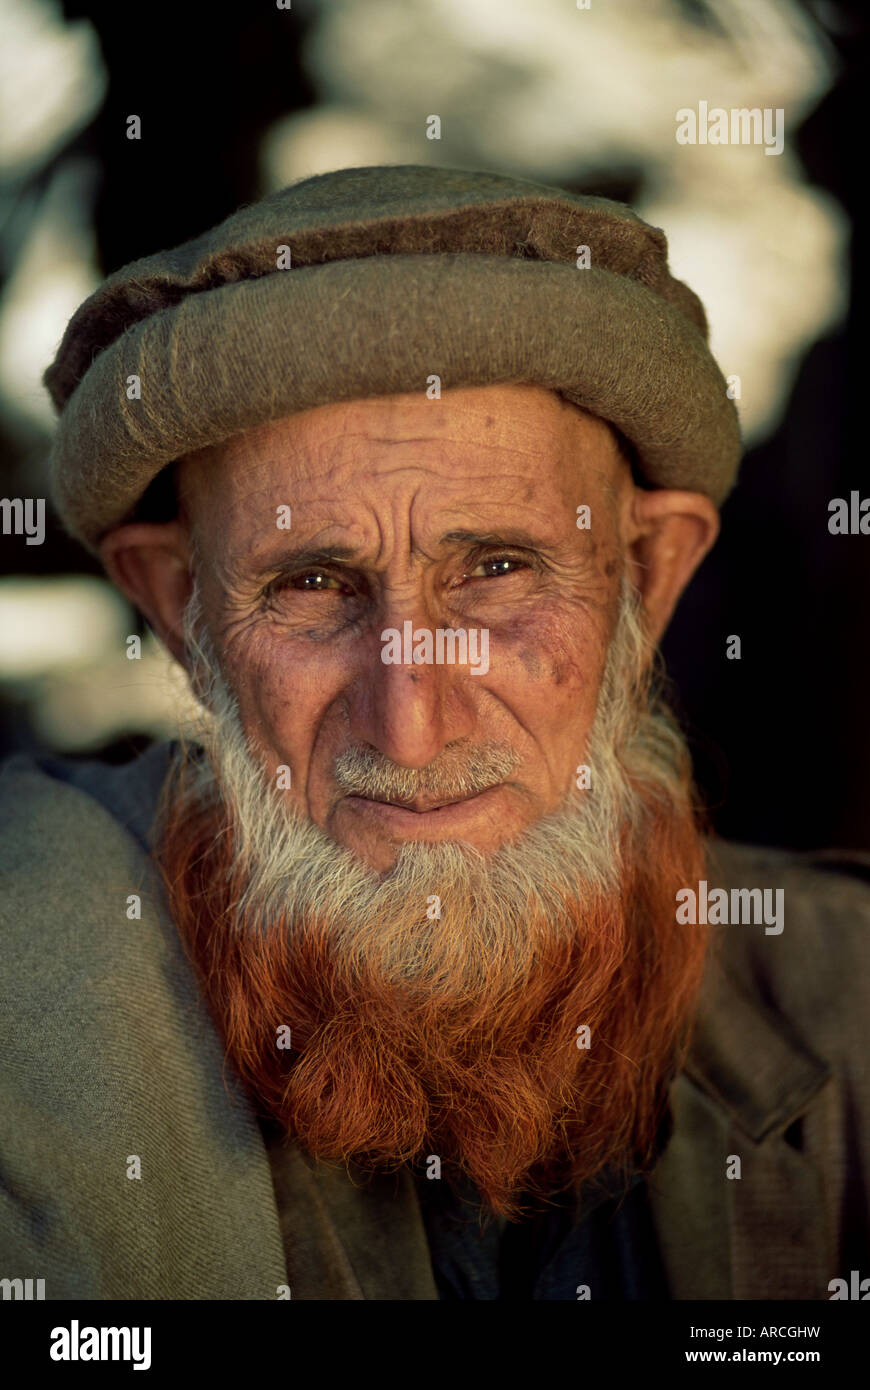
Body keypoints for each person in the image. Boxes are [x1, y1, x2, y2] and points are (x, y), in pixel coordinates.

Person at [1, 164, 867, 1301]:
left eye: (500, 570)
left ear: (648, 579)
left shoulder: (847, 999)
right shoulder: (38, 973)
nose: (411, 727)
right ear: (178, 609)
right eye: (312, 584)